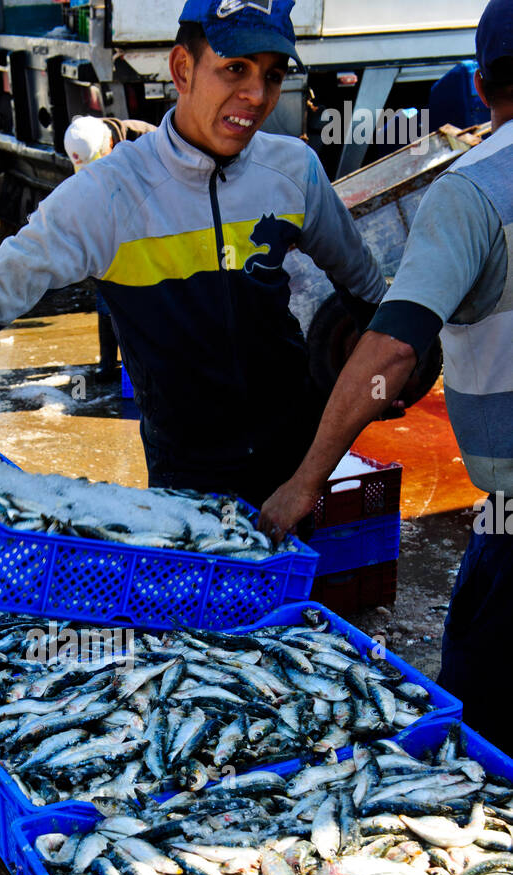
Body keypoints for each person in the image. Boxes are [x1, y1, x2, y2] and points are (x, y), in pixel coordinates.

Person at [0, 0, 386, 506]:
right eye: (235, 69)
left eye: (273, 75)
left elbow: (366, 287)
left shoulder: (294, 169)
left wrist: (380, 378)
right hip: (186, 472)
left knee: (300, 583)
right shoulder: (108, 195)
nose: (257, 95)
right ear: (182, 69)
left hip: (296, 460)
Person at [259, 0, 513, 754]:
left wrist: (308, 477)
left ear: (478, 81)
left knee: (480, 723)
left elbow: (392, 355)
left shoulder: (475, 191)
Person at [63, 115, 158, 377]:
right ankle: (108, 363)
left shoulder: (149, 142)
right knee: (106, 291)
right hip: (111, 223)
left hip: (152, 225)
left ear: (111, 145)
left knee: (148, 298)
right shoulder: (81, 140)